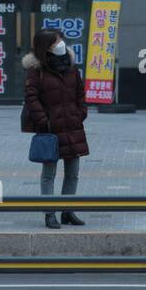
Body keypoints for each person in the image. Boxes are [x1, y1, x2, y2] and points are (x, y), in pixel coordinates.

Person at [22, 28, 89, 229]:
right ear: (45, 46)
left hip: (72, 126)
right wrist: (44, 121)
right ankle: (49, 213)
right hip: (51, 129)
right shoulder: (36, 71)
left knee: (73, 172)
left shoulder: (70, 66)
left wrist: (81, 112)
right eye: (55, 41)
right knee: (48, 174)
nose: (60, 43)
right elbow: (31, 98)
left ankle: (68, 211)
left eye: (60, 39)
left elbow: (80, 92)